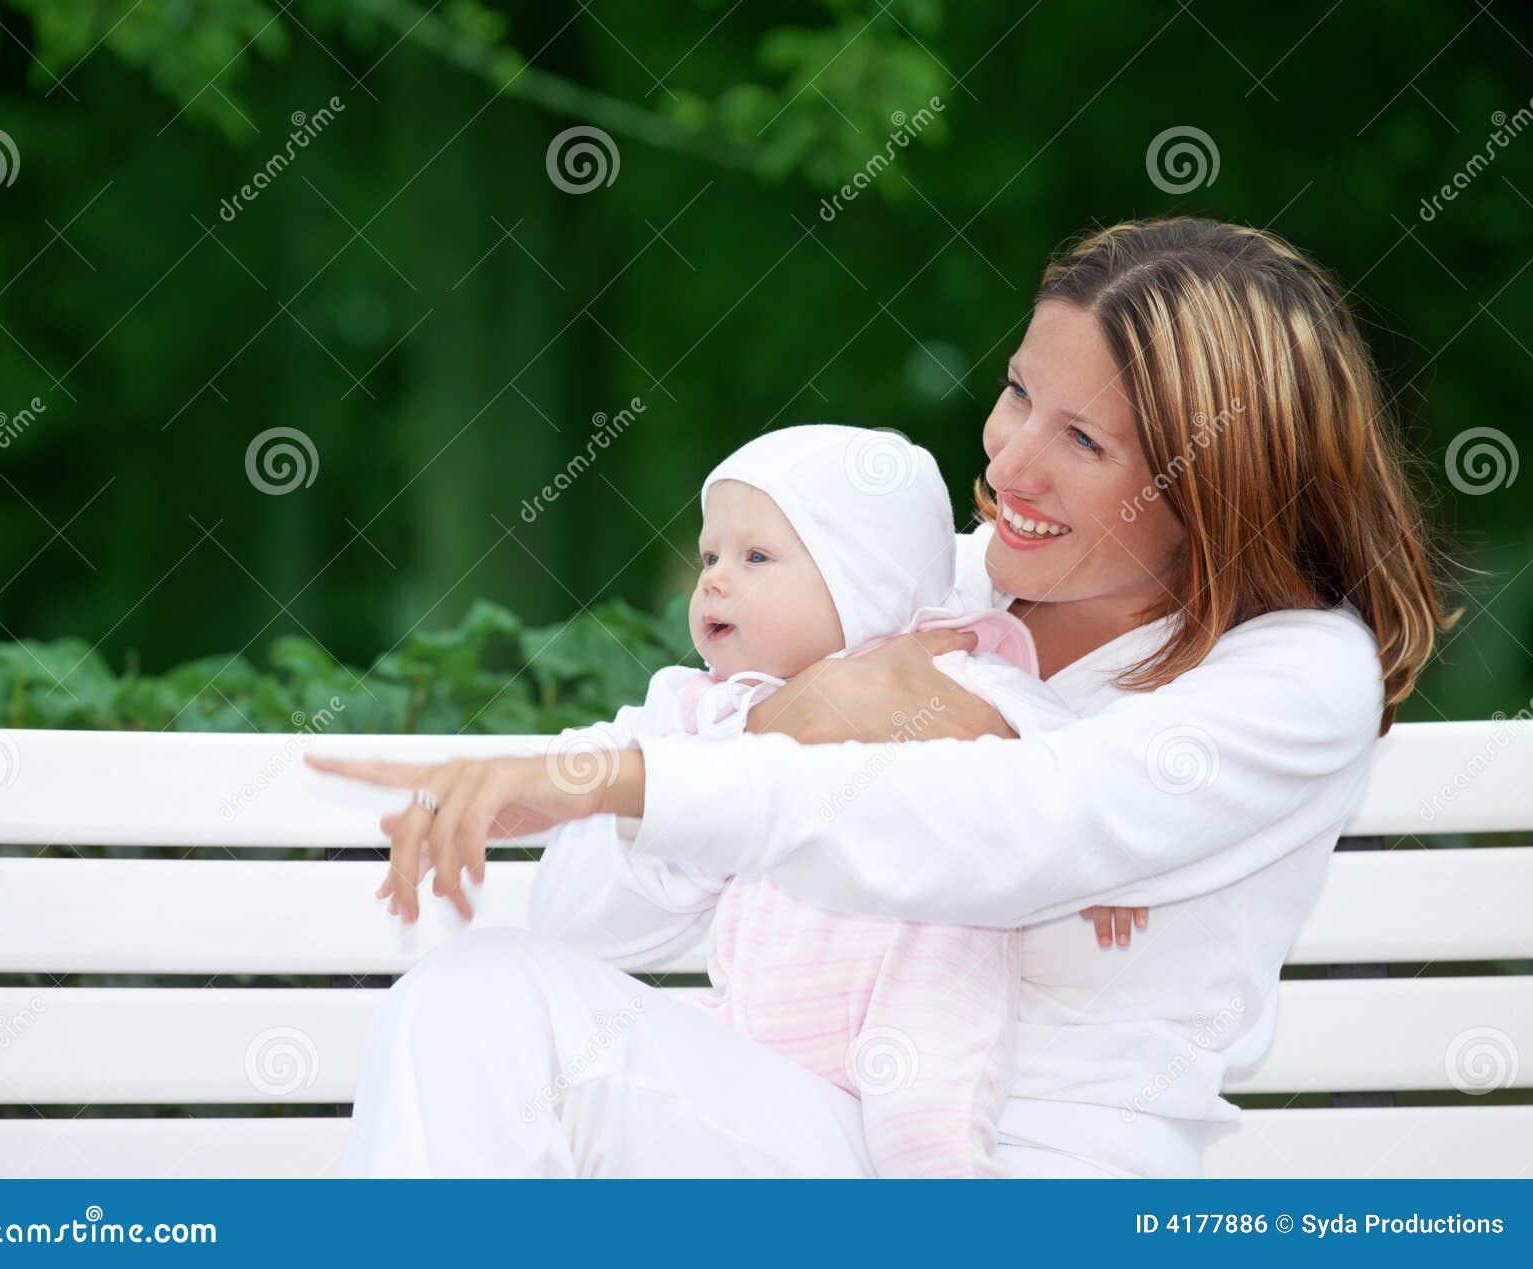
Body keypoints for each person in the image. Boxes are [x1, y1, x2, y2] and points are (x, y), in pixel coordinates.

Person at [307, 217, 1457, 1178]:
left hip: (1039, 1186)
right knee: (480, 999)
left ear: (1212, 481)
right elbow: (588, 922)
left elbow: (1013, 830)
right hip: (817, 1137)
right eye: (1016, 394)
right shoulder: (914, 587)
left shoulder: (1299, 672)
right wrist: (766, 724)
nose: (1008, 463)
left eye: (1083, 440)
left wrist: (636, 773)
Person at [528, 422, 1123, 1179]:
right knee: (612, 1080)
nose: (713, 578)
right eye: (712, 555)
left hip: (917, 993)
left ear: (865, 580)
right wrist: (737, 750)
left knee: (926, 1133)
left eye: (756, 557)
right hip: (759, 1029)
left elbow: (1071, 774)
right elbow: (577, 880)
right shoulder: (709, 709)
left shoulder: (959, 678)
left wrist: (1109, 865)